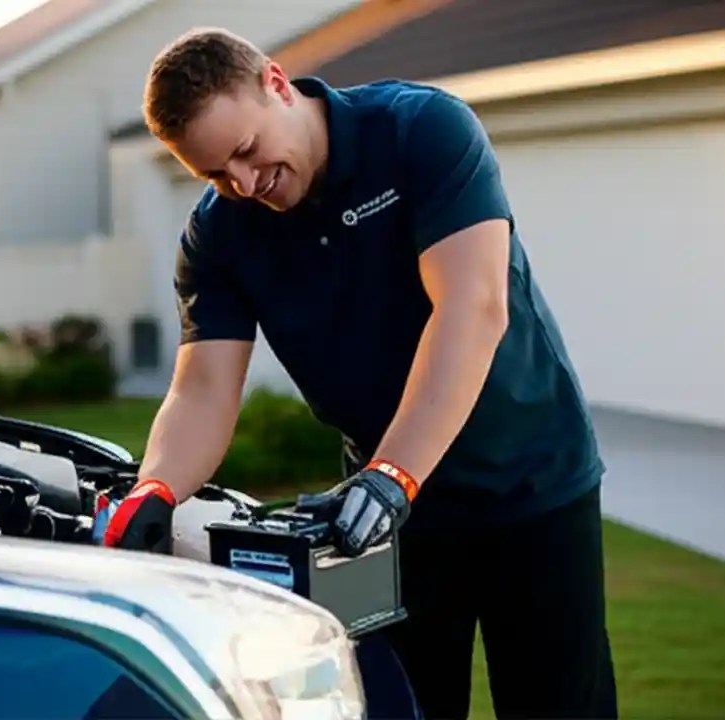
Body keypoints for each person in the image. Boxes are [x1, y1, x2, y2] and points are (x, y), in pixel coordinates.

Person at [100, 27, 619, 720]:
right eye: (217, 174)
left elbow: (473, 308)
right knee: (400, 708)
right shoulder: (219, 232)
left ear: (276, 84)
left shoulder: (420, 131)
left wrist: (393, 472)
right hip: (383, 521)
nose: (246, 184)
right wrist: (156, 489)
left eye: (248, 151)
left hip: (529, 486)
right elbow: (203, 388)